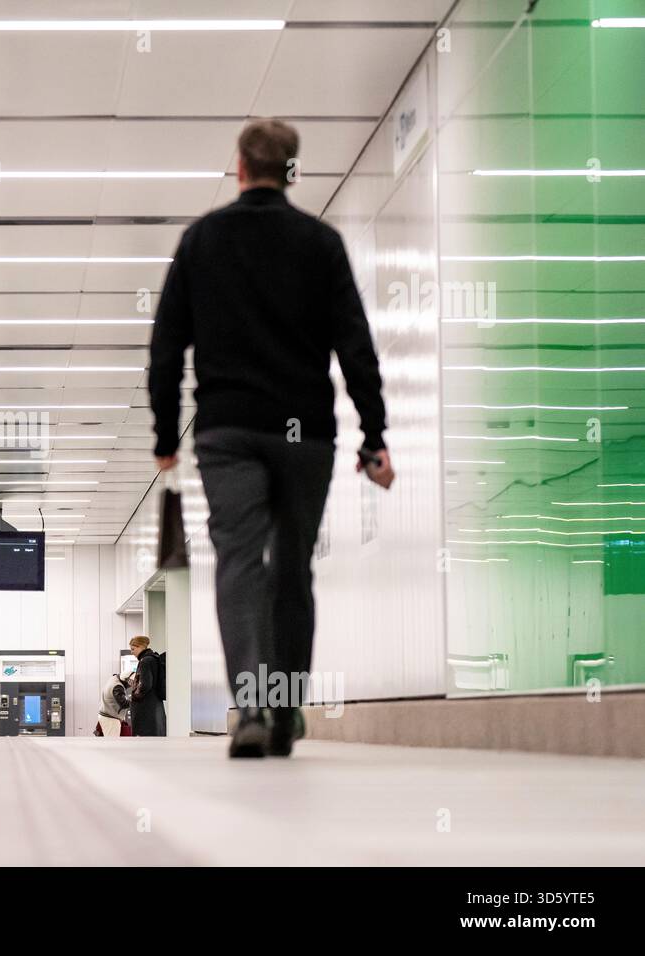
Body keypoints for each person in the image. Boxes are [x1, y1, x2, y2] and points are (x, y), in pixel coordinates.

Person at [148, 118, 394, 759]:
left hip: (228, 431)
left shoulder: (202, 240)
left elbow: (167, 346)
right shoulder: (320, 243)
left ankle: (252, 705)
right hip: (304, 433)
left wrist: (163, 433)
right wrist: (374, 434)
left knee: (238, 561)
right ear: (291, 172)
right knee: (292, 568)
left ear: (238, 167)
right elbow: (355, 344)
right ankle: (284, 709)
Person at [127, 636, 166, 737]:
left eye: (133, 649)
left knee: (143, 742)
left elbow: (145, 684)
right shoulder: (154, 659)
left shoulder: (145, 661)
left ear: (141, 647)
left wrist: (134, 697)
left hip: (145, 709)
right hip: (155, 706)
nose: (132, 652)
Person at [94, 671, 133, 737]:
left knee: (110, 742)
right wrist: (135, 702)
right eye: (130, 683)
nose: (130, 686)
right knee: (112, 743)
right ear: (126, 680)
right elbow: (124, 703)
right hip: (111, 719)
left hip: (106, 716)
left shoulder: (114, 678)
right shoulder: (117, 687)